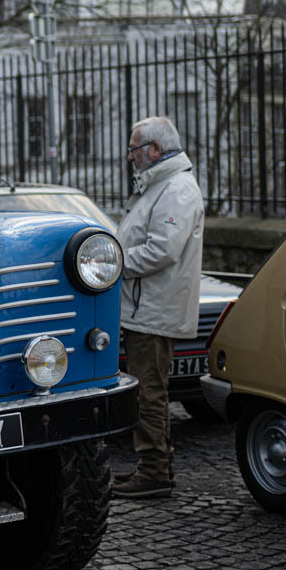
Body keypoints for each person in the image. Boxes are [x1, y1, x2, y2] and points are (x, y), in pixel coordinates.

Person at [113, 116, 205, 500]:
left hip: (152, 310)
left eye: (134, 149)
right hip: (145, 307)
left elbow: (162, 250)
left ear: (154, 150)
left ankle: (154, 472)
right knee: (147, 390)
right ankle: (153, 465)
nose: (130, 156)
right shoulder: (160, 186)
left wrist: (114, 264)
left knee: (148, 392)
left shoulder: (175, 189)